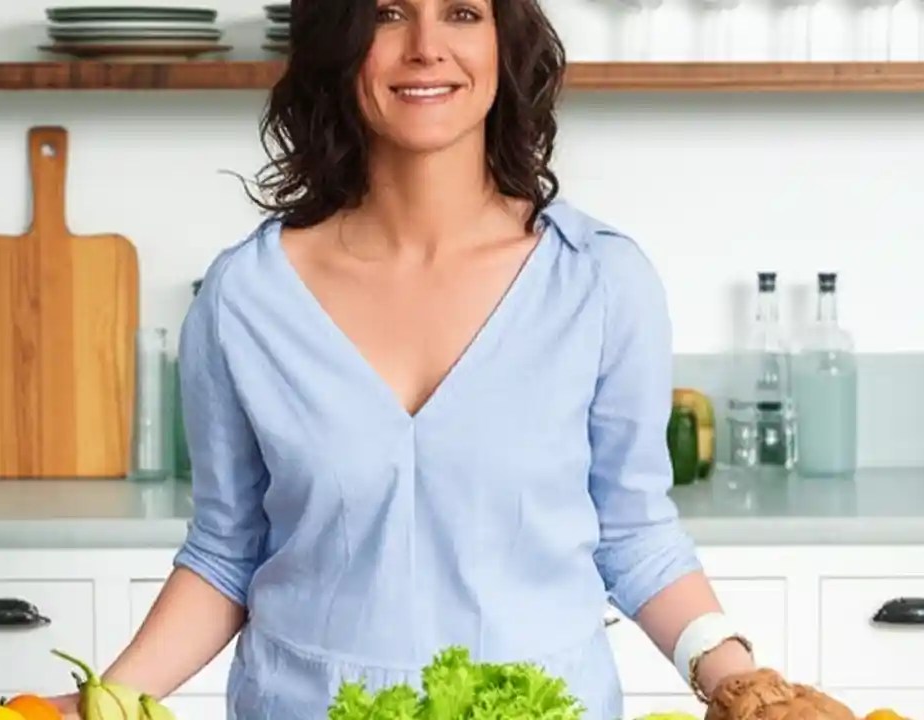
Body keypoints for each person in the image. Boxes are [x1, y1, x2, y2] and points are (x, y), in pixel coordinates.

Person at [54, 0, 761, 717]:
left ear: (503, 44)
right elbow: (225, 553)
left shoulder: (600, 282)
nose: (426, 46)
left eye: (461, 12)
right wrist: (99, 703)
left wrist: (739, 681)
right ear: (341, 42)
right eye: (390, 12)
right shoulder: (244, 297)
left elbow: (636, 534)